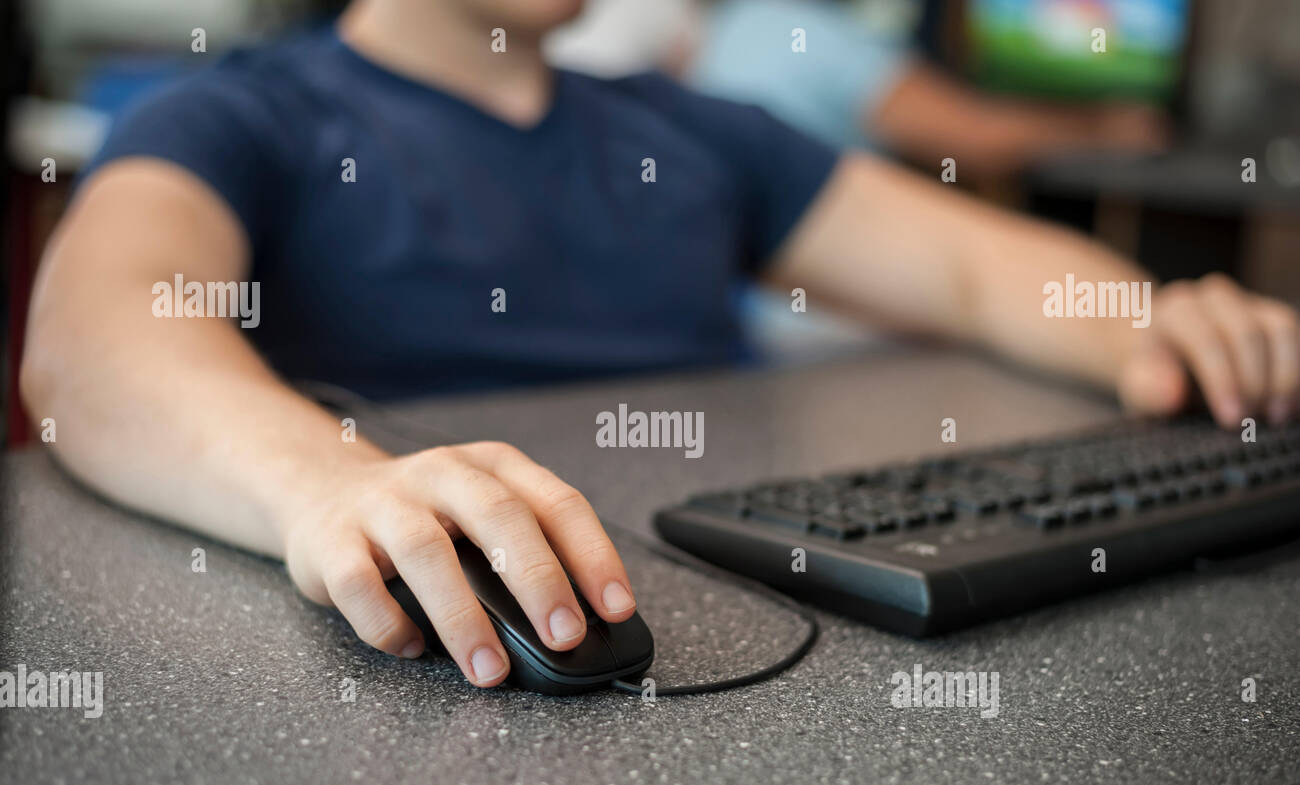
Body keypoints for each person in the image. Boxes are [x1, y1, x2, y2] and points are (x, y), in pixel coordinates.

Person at [21, 0, 1299, 689]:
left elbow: (972, 263)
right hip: (430, 679)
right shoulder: (239, 113)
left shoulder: (698, 129)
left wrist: (1157, 317)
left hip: (739, 632)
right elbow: (93, 335)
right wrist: (332, 486)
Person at [691, 0, 1169, 173]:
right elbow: (977, 139)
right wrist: (1108, 128)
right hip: (828, 332)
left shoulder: (734, 25)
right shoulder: (815, 38)